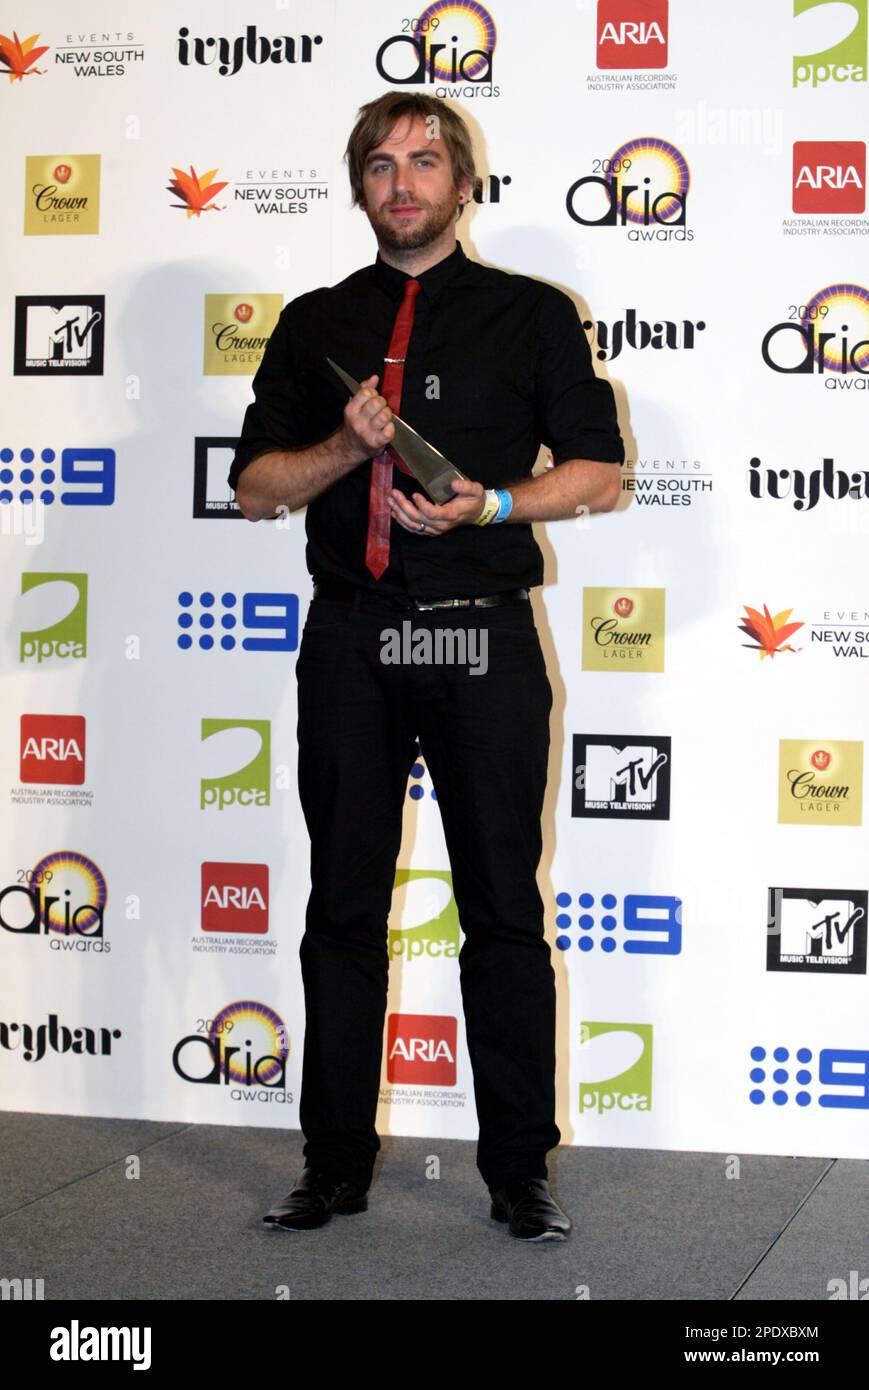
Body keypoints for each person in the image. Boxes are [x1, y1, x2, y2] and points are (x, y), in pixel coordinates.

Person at [228, 91, 624, 1241]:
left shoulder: (528, 315)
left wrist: (492, 502)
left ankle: (518, 1174)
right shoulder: (310, 324)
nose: (401, 182)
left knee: (501, 907)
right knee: (342, 907)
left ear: (462, 181)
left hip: (474, 630)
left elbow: (596, 472)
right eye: (379, 165)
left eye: (423, 161)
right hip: (352, 635)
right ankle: (333, 1166)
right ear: (358, 187)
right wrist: (341, 447)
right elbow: (255, 488)